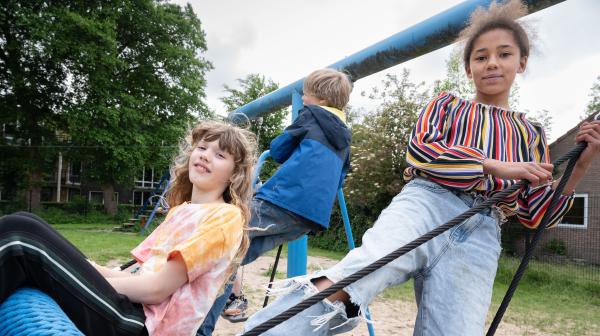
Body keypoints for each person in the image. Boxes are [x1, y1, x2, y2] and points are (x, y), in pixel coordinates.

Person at [242, 1, 600, 335]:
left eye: (504, 54)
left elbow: (537, 215)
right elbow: (422, 154)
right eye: (481, 56)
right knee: (355, 279)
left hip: (483, 229)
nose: (492, 63)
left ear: (521, 62)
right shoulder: (446, 105)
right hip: (426, 204)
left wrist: (580, 166)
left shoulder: (532, 134)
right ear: (468, 67)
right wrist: (496, 167)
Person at [0, 121, 257, 336]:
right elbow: (140, 277)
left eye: (219, 155)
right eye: (202, 147)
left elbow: (156, 290)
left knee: (21, 235)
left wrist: (87, 276)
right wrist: (86, 267)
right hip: (133, 309)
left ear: (234, 174)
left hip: (144, 325)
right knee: (26, 221)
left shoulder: (225, 217)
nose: (205, 155)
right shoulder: (183, 211)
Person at [197, 68, 353, 335]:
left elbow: (279, 150)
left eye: (306, 94)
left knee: (219, 246)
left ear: (321, 100)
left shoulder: (312, 116)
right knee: (232, 258)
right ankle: (205, 319)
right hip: (309, 217)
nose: (303, 98)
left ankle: (200, 327)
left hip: (282, 200)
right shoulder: (345, 138)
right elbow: (339, 179)